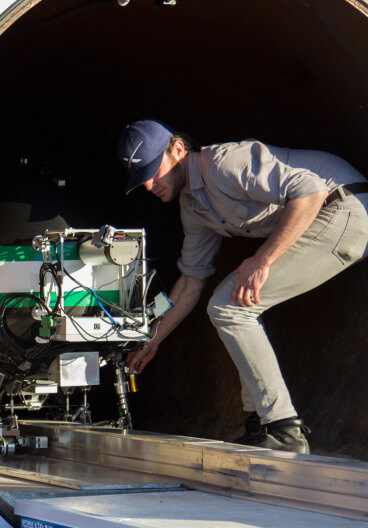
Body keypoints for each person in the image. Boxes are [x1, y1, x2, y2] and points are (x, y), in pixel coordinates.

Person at [117, 119, 368, 454]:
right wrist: (152, 338)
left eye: (152, 170)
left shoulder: (224, 163)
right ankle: (257, 425)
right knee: (233, 305)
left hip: (347, 207)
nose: (148, 185)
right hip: (330, 214)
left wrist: (262, 259)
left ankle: (283, 428)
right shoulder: (192, 206)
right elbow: (191, 282)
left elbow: (311, 192)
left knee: (227, 307)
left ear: (177, 150)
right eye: (140, 179)